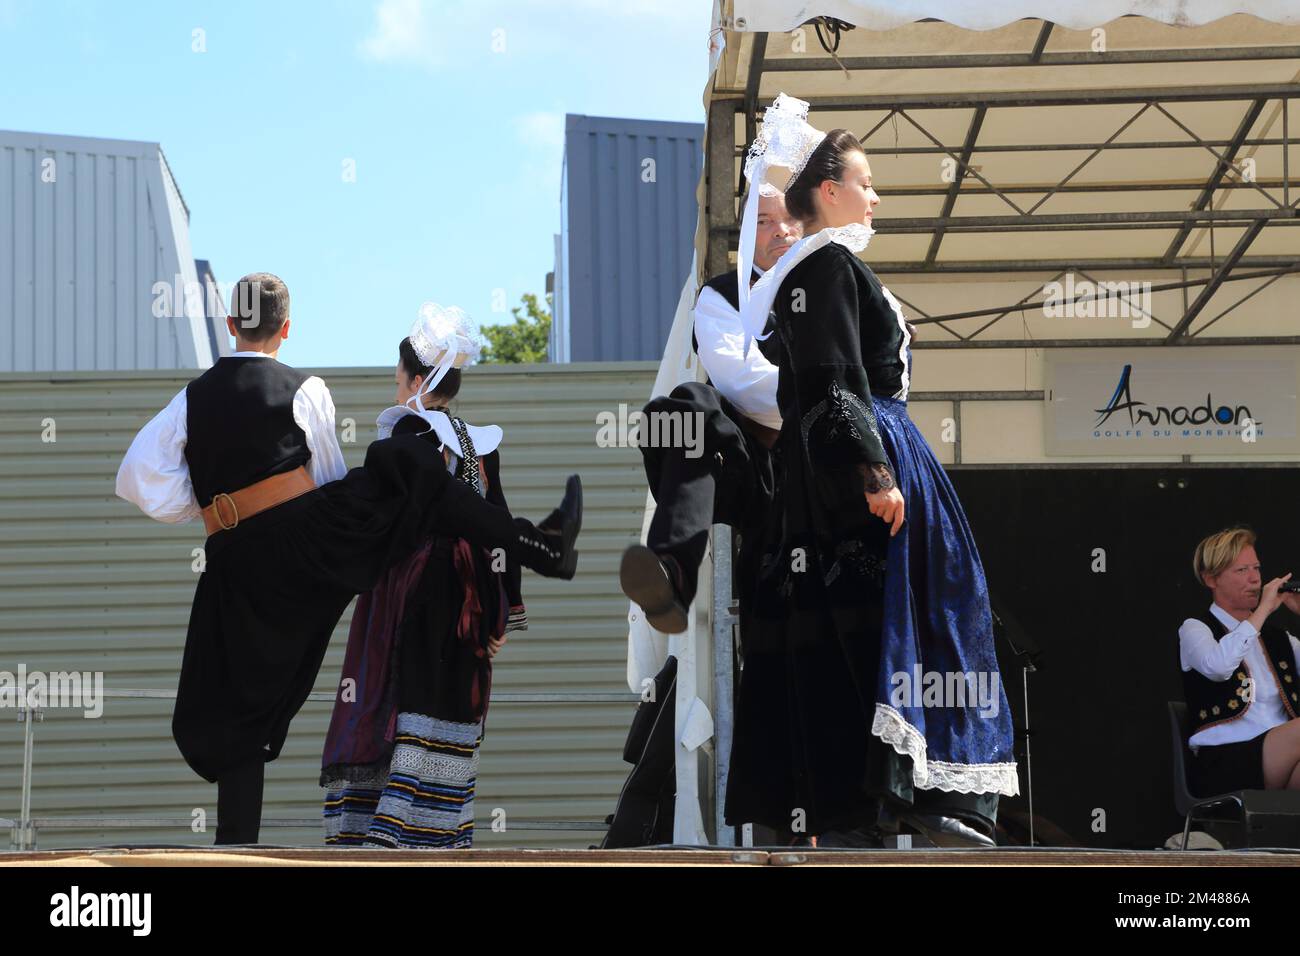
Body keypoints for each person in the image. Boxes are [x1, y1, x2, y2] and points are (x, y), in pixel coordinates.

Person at [115, 277, 582, 845]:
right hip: (308, 548)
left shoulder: (191, 397)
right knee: (398, 468)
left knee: (238, 697)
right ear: (285, 330)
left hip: (232, 561)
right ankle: (537, 543)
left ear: (229, 324)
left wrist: (218, 506)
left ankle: (237, 843)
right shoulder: (306, 388)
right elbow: (331, 475)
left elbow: (139, 476)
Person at [724, 95, 1019, 847]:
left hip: (846, 456)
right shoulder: (824, 265)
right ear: (830, 191)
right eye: (865, 180)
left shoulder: (821, 267)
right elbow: (830, 379)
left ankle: (902, 794)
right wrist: (872, 470)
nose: (876, 194)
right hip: (855, 459)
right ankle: (900, 792)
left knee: (881, 626)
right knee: (892, 621)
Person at [320, 310, 531, 848]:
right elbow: (501, 528)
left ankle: (384, 835)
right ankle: (438, 833)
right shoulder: (478, 447)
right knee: (446, 707)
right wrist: (504, 608)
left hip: (408, 595)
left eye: (398, 375)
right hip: (470, 604)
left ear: (418, 382)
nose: (395, 383)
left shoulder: (406, 440)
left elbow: (371, 523)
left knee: (393, 701)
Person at [618, 184, 799, 633]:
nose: (780, 230)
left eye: (788, 217)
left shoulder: (834, 286)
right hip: (762, 470)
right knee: (686, 408)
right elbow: (742, 382)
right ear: (744, 235)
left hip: (833, 467)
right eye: (763, 221)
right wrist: (820, 390)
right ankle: (672, 573)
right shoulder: (720, 296)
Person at [1180, 527, 1300, 795]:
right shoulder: (1195, 629)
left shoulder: (1280, 639)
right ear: (1211, 579)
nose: (1255, 580)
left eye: (1256, 569)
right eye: (1242, 571)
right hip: (1224, 762)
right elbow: (1218, 668)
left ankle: (1279, 834)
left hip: (1279, 756)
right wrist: (1263, 611)